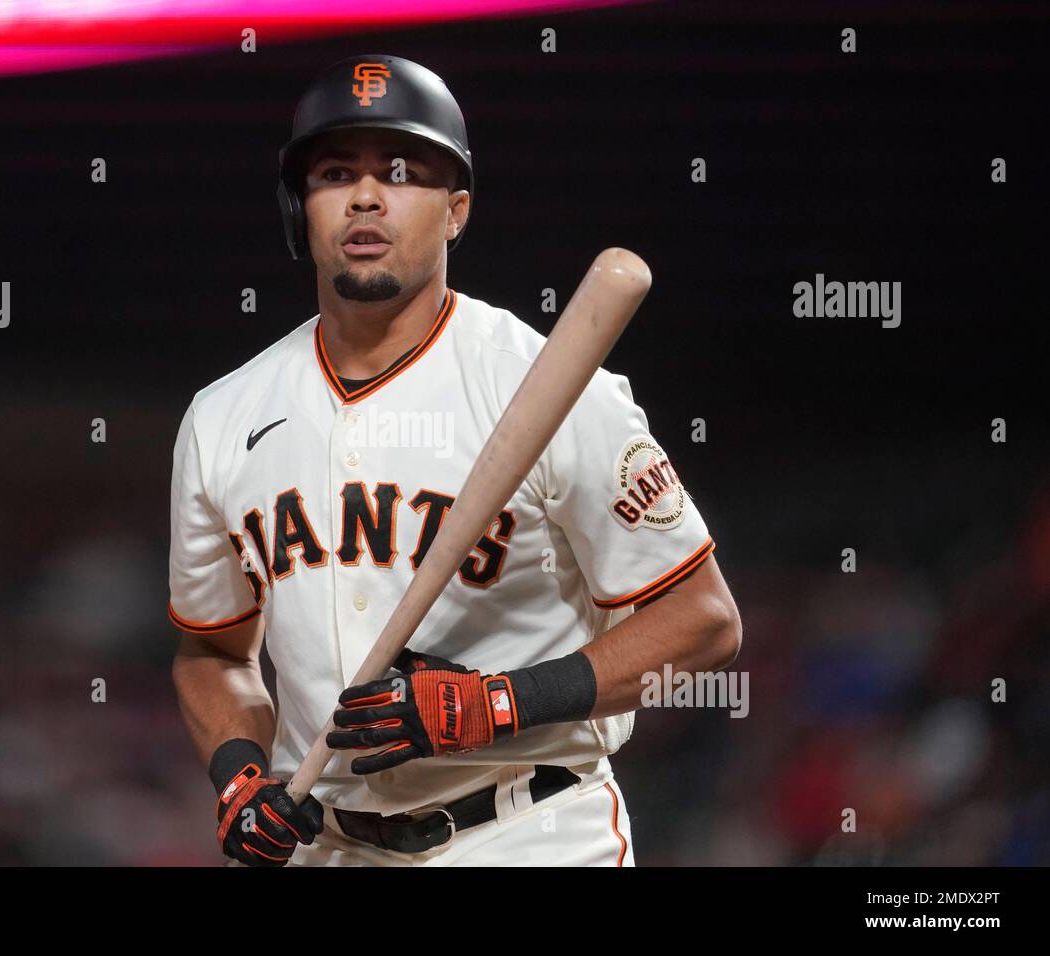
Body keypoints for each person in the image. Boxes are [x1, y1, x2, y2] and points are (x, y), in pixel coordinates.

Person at [169, 54, 742, 866]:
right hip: (328, 844)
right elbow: (213, 653)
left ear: (457, 210)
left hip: (528, 830)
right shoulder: (224, 416)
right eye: (336, 173)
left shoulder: (553, 384)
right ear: (301, 210)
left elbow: (705, 623)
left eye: (401, 172)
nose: (367, 195)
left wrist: (497, 703)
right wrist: (237, 772)